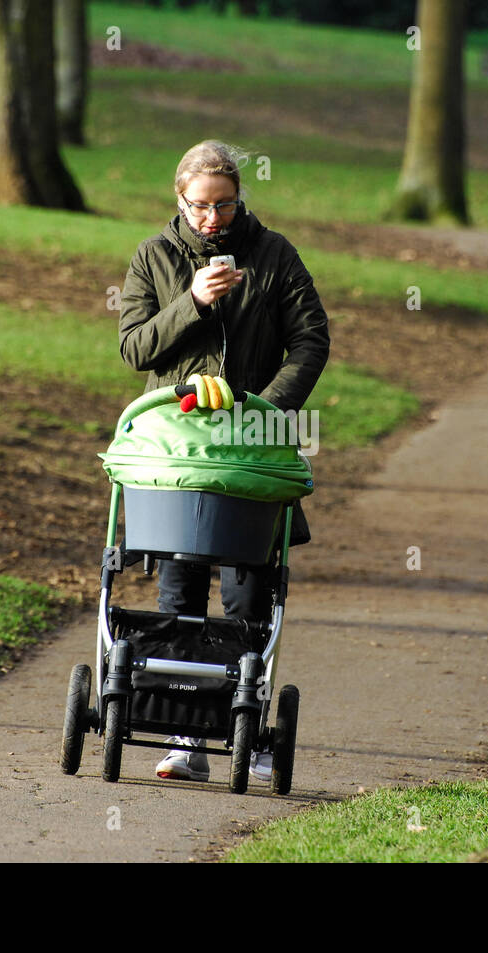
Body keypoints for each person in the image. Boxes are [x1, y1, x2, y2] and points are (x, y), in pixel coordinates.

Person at [118, 140, 330, 782]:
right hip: (179, 452)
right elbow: (134, 347)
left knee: (249, 590)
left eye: (226, 205)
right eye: (201, 206)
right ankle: (184, 736)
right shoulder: (153, 256)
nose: (214, 218)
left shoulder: (275, 255)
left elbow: (310, 340)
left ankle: (250, 733)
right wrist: (194, 301)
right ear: (179, 199)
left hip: (251, 452)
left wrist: (266, 409)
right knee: (180, 585)